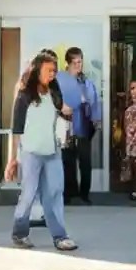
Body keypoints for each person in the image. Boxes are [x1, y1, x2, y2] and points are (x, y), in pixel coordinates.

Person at [6, 51, 77, 251]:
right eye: (48, 70)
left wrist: (68, 112)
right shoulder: (24, 94)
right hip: (31, 152)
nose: (52, 74)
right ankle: (20, 233)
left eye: (54, 70)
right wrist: (11, 160)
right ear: (37, 70)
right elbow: (16, 129)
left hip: (52, 151)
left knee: (54, 193)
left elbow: (61, 109)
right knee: (28, 194)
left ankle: (60, 236)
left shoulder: (54, 90)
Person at [55, 47, 101, 206]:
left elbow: (93, 101)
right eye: (75, 63)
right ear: (68, 63)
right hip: (65, 126)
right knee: (67, 161)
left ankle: (84, 194)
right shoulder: (60, 80)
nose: (78, 65)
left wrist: (96, 119)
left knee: (85, 162)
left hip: (83, 126)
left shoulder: (86, 82)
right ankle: (68, 193)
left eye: (80, 62)